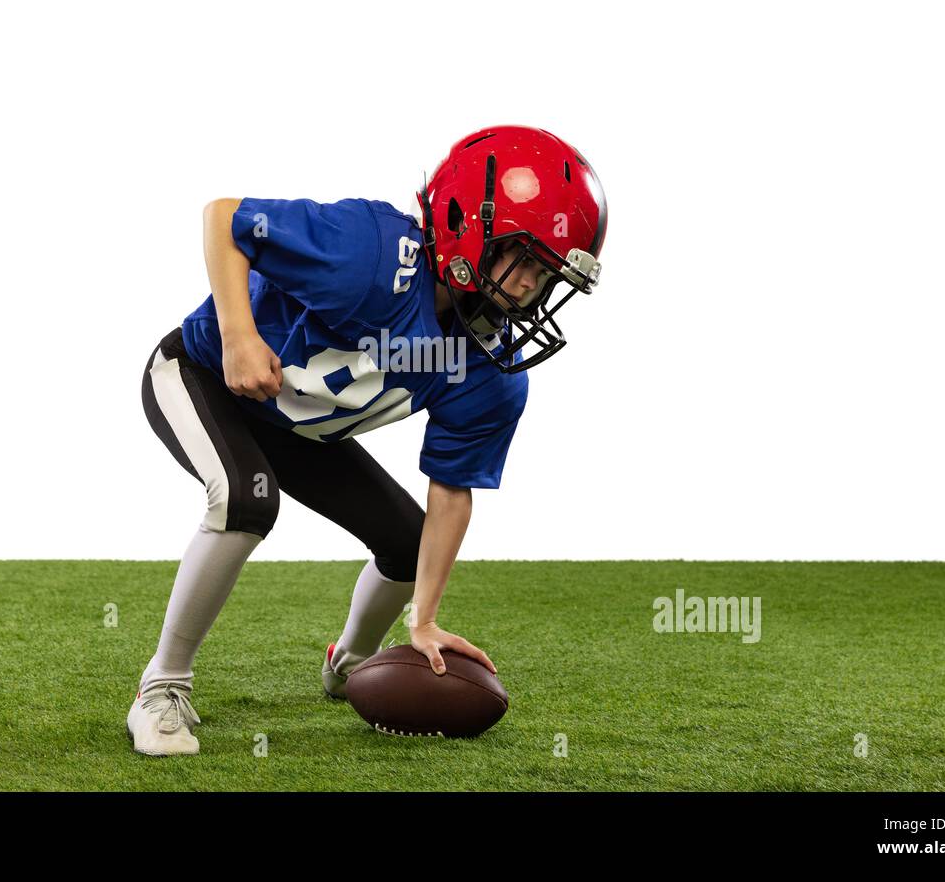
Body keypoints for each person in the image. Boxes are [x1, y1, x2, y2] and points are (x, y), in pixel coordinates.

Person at [128, 125, 608, 755]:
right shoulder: (372, 254)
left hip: (297, 424)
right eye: (522, 260)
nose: (526, 289)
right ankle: (162, 686)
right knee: (246, 500)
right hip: (203, 374)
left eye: (545, 275)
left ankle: (351, 660)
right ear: (467, 224)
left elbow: (450, 496)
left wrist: (425, 619)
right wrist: (239, 334)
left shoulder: (486, 367)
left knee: (408, 542)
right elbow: (226, 219)